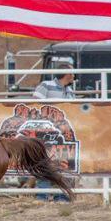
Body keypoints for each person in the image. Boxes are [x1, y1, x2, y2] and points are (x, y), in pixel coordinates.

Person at [31, 64, 76, 202]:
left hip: (63, 133)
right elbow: (34, 103)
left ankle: (61, 196)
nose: (74, 75)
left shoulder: (70, 91)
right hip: (46, 132)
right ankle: (42, 196)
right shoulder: (46, 85)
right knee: (44, 162)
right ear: (67, 74)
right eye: (72, 72)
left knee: (63, 163)